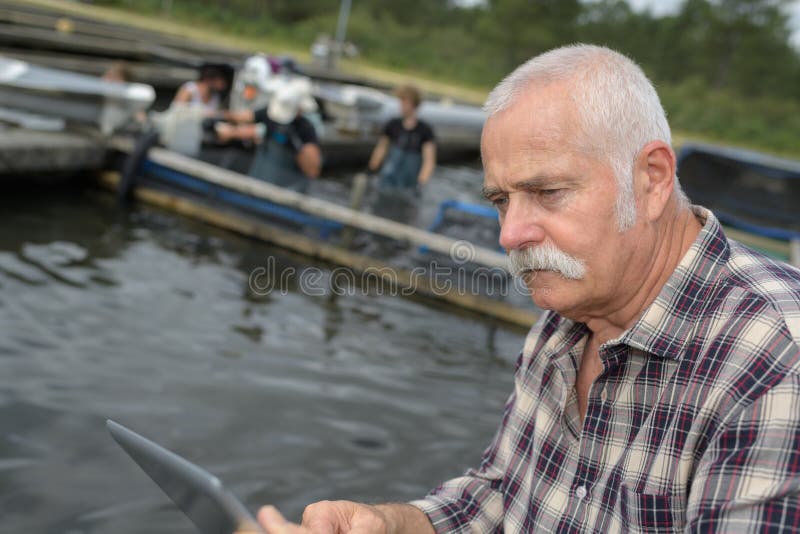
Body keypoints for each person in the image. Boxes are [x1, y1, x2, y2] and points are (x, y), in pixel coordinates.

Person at [245, 44, 800, 533]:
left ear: (651, 178)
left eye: (548, 191)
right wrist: (390, 526)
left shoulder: (775, 366)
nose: (511, 234)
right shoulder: (567, 317)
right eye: (501, 200)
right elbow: (505, 494)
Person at [216, 79, 321, 193]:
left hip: (287, 190)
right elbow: (245, 117)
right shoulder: (270, 113)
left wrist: (296, 146)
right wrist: (217, 116)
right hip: (260, 180)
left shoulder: (305, 129)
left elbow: (312, 171)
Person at [368, 85, 436, 196]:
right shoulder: (392, 125)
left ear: (414, 104)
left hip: (409, 185)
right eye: (401, 101)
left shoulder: (425, 130)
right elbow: (381, 149)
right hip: (388, 179)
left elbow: (429, 161)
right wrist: (372, 168)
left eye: (405, 102)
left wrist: (421, 182)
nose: (401, 105)